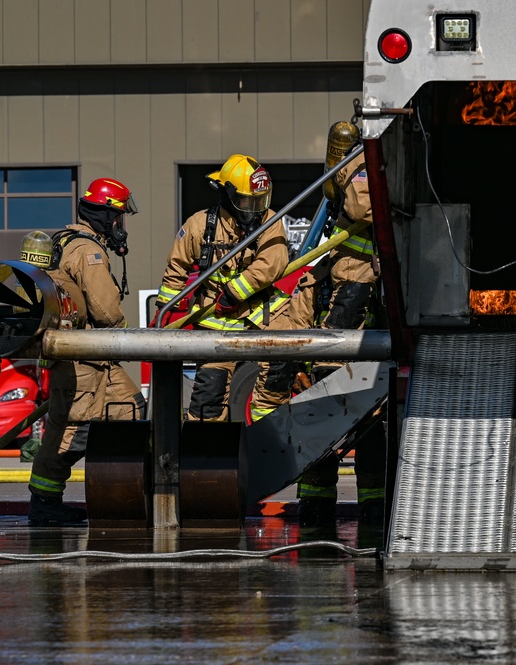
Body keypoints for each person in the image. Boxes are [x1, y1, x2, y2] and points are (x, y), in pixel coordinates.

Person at [27, 177, 147, 526]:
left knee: (132, 408)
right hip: (84, 359)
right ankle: (45, 502)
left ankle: (125, 488)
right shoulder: (87, 251)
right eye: (119, 217)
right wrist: (124, 333)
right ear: (107, 216)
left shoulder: (62, 241)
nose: (121, 226)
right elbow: (107, 312)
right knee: (73, 431)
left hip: (90, 358)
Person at [153, 154, 294, 422]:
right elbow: (176, 269)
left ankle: (269, 431)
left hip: (262, 313)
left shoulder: (270, 221)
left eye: (260, 201)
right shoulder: (198, 226)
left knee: (279, 369)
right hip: (215, 320)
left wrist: (234, 293)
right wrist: (165, 312)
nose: (255, 209)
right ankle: (208, 446)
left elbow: (272, 263)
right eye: (248, 202)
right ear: (228, 195)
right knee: (210, 394)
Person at [295, 121, 387, 527]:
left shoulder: (363, 173)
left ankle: (373, 504)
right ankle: (315, 505)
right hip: (348, 309)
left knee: (370, 428)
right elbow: (362, 210)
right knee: (323, 418)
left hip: (368, 327)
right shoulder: (359, 171)